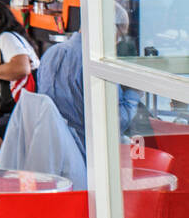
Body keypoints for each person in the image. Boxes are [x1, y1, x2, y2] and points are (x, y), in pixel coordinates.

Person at [36, 12, 138, 154]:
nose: (118, 42)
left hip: (52, 150)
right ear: (110, 29)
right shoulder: (98, 65)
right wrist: (134, 92)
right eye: (120, 36)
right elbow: (115, 124)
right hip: (87, 155)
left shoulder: (50, 54)